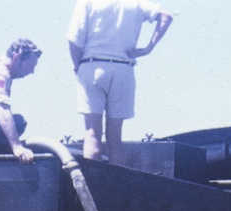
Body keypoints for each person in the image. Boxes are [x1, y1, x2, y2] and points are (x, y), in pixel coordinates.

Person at [66, 0, 173, 164]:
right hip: (124, 68)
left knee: (92, 132)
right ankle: (115, 187)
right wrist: (148, 48)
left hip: (92, 64)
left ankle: (92, 187)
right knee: (115, 137)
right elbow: (166, 16)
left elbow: (74, 39)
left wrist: (76, 66)